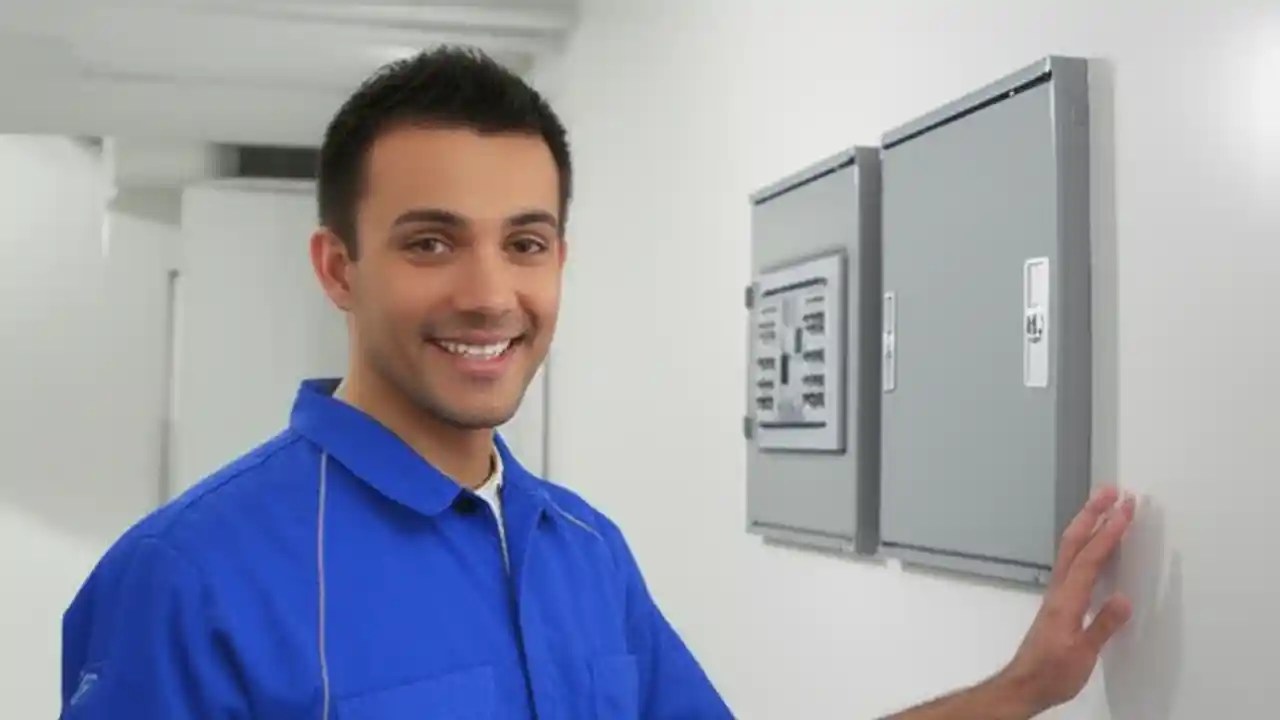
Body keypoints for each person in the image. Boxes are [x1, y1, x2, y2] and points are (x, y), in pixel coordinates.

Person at [59, 46, 1136, 719]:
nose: (489, 295)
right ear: (339, 267)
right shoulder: (186, 580)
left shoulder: (579, 552)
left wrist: (1018, 690)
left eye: (525, 243)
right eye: (432, 243)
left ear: (559, 261)